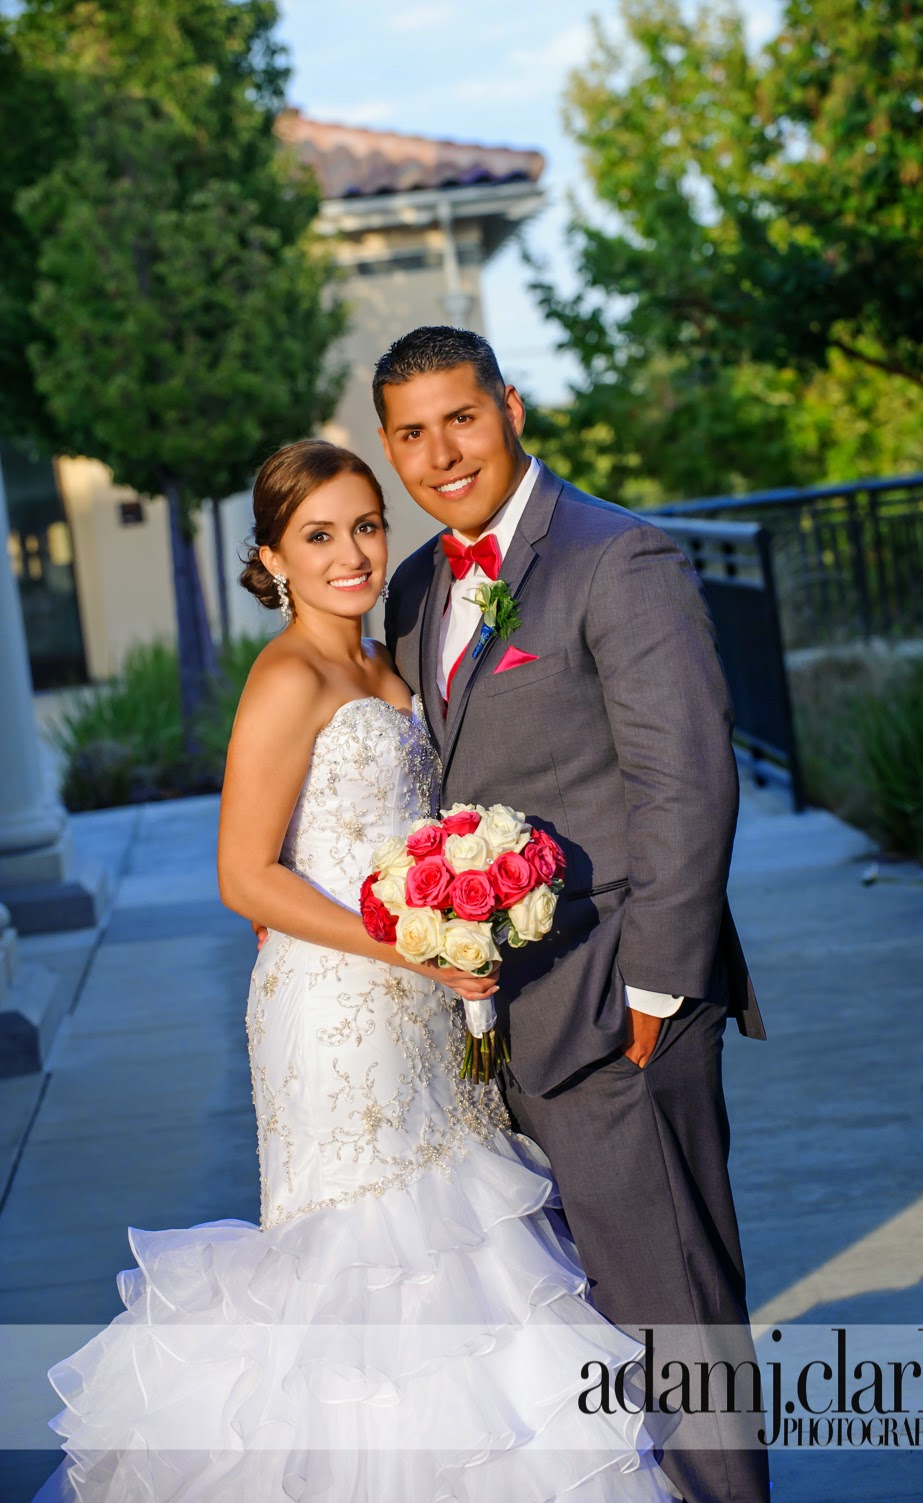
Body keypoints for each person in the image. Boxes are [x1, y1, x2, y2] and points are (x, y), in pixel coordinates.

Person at [31, 440, 682, 1502]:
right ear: (272, 558)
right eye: (319, 536)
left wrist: (463, 922)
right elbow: (244, 874)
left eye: (366, 526)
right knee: (376, 1257)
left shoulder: (392, 658)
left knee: (466, 1243)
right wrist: (411, 950)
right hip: (338, 1014)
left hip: (430, 1004)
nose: (352, 553)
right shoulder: (287, 674)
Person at [378, 327, 770, 1503]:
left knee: (676, 1318)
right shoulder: (413, 587)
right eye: (411, 432)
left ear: (512, 408)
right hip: (499, 1032)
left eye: (463, 417)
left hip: (618, 1012)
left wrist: (653, 991)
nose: (442, 452)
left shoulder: (617, 554)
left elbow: (688, 781)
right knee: (585, 1336)